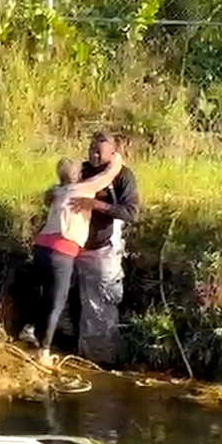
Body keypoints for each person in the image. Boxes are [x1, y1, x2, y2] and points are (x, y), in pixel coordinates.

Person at [20, 152, 124, 367]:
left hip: (41, 247)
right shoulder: (82, 189)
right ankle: (44, 353)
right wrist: (117, 159)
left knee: (43, 293)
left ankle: (28, 329)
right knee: (56, 301)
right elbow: (105, 177)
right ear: (78, 175)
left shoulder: (57, 191)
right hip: (62, 251)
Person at [69, 132, 139, 366]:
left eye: (99, 152)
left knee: (102, 308)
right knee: (75, 302)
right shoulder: (83, 172)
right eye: (91, 149)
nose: (93, 155)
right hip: (76, 247)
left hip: (104, 250)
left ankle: (103, 362)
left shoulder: (123, 176)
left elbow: (131, 213)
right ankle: (77, 354)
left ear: (113, 154)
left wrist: (96, 204)